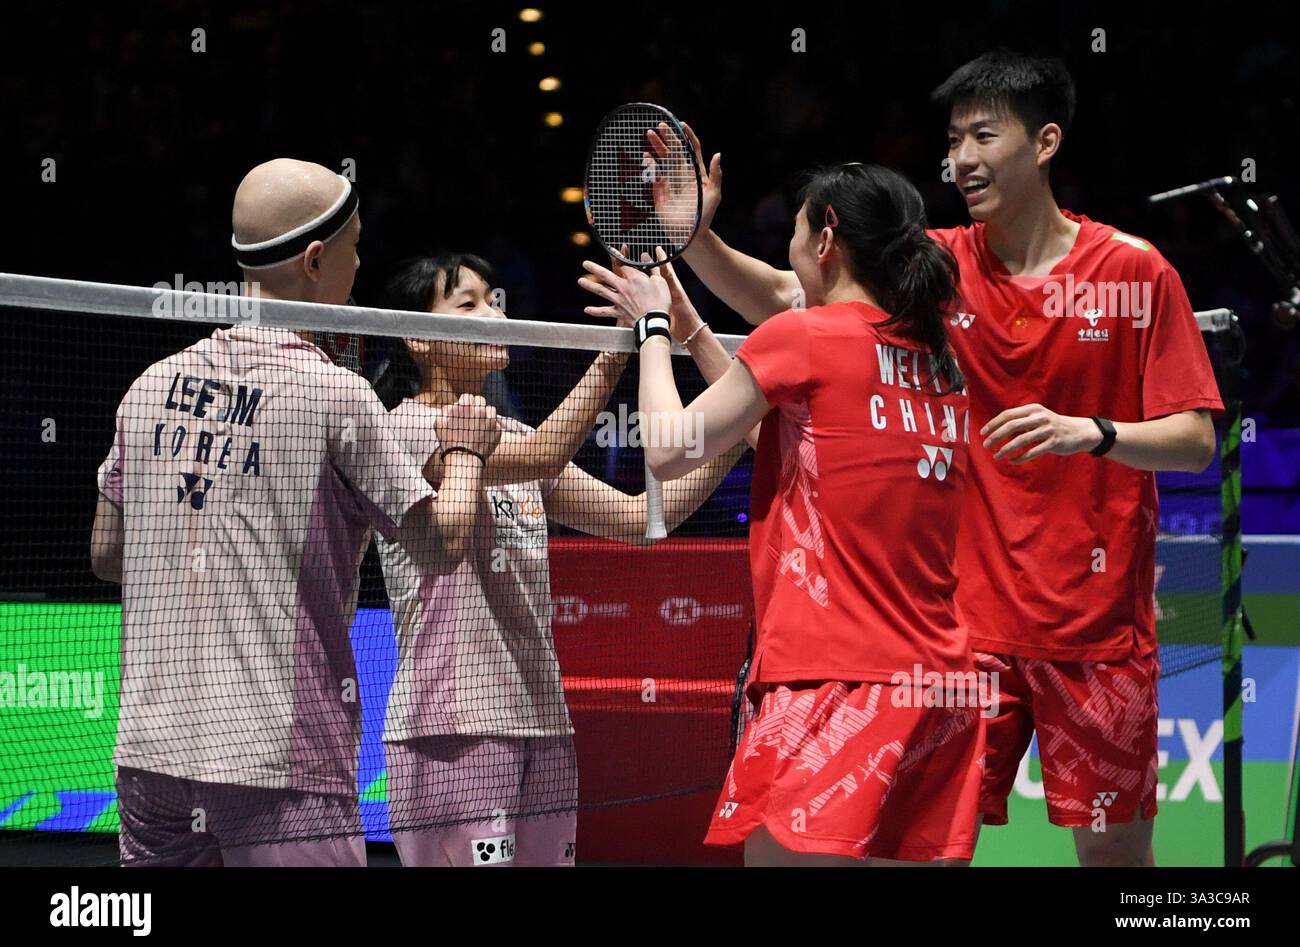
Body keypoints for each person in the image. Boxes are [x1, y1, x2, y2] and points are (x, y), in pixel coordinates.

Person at [660, 51, 1222, 866]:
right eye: (953, 139)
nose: (959, 159)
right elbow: (798, 297)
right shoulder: (940, 268)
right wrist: (697, 237)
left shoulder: (1132, 272)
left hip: (1096, 629)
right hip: (969, 636)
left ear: (1046, 142)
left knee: (1119, 862)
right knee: (925, 852)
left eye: (982, 136)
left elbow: (1196, 438)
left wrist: (1090, 432)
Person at [89, 159, 501, 866]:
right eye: (355, 245)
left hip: (149, 755)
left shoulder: (149, 385)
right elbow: (438, 548)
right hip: (278, 760)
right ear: (316, 260)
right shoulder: (333, 395)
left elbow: (106, 554)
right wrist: (465, 450)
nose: (361, 261)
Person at [584, 164, 984, 865]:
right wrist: (694, 331)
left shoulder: (802, 334)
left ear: (825, 239)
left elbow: (670, 451)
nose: (787, 248)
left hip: (832, 685)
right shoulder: (938, 363)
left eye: (795, 230)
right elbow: (791, 440)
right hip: (939, 689)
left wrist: (651, 329)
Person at [372, 251, 743, 866]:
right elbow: (547, 454)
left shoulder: (510, 438)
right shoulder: (404, 433)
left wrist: (734, 431)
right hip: (454, 725)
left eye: (495, 300)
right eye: (467, 305)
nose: (492, 314)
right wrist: (623, 344)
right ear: (418, 338)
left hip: (541, 721)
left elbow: (640, 520)